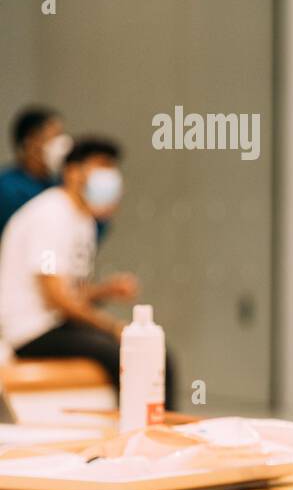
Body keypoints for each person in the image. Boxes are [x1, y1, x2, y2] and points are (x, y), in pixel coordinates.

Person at [0, 137, 173, 407]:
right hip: (31, 330)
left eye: (112, 167)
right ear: (72, 172)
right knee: (128, 353)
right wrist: (112, 326)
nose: (109, 175)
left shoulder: (83, 220)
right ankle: (141, 434)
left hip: (57, 324)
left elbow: (71, 292)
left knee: (155, 354)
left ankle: (156, 433)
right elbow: (54, 296)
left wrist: (106, 290)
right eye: (100, 166)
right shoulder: (49, 216)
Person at [1, 106, 73, 235]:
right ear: (31, 141)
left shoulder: (57, 185)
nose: (61, 144)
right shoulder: (7, 188)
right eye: (55, 136)